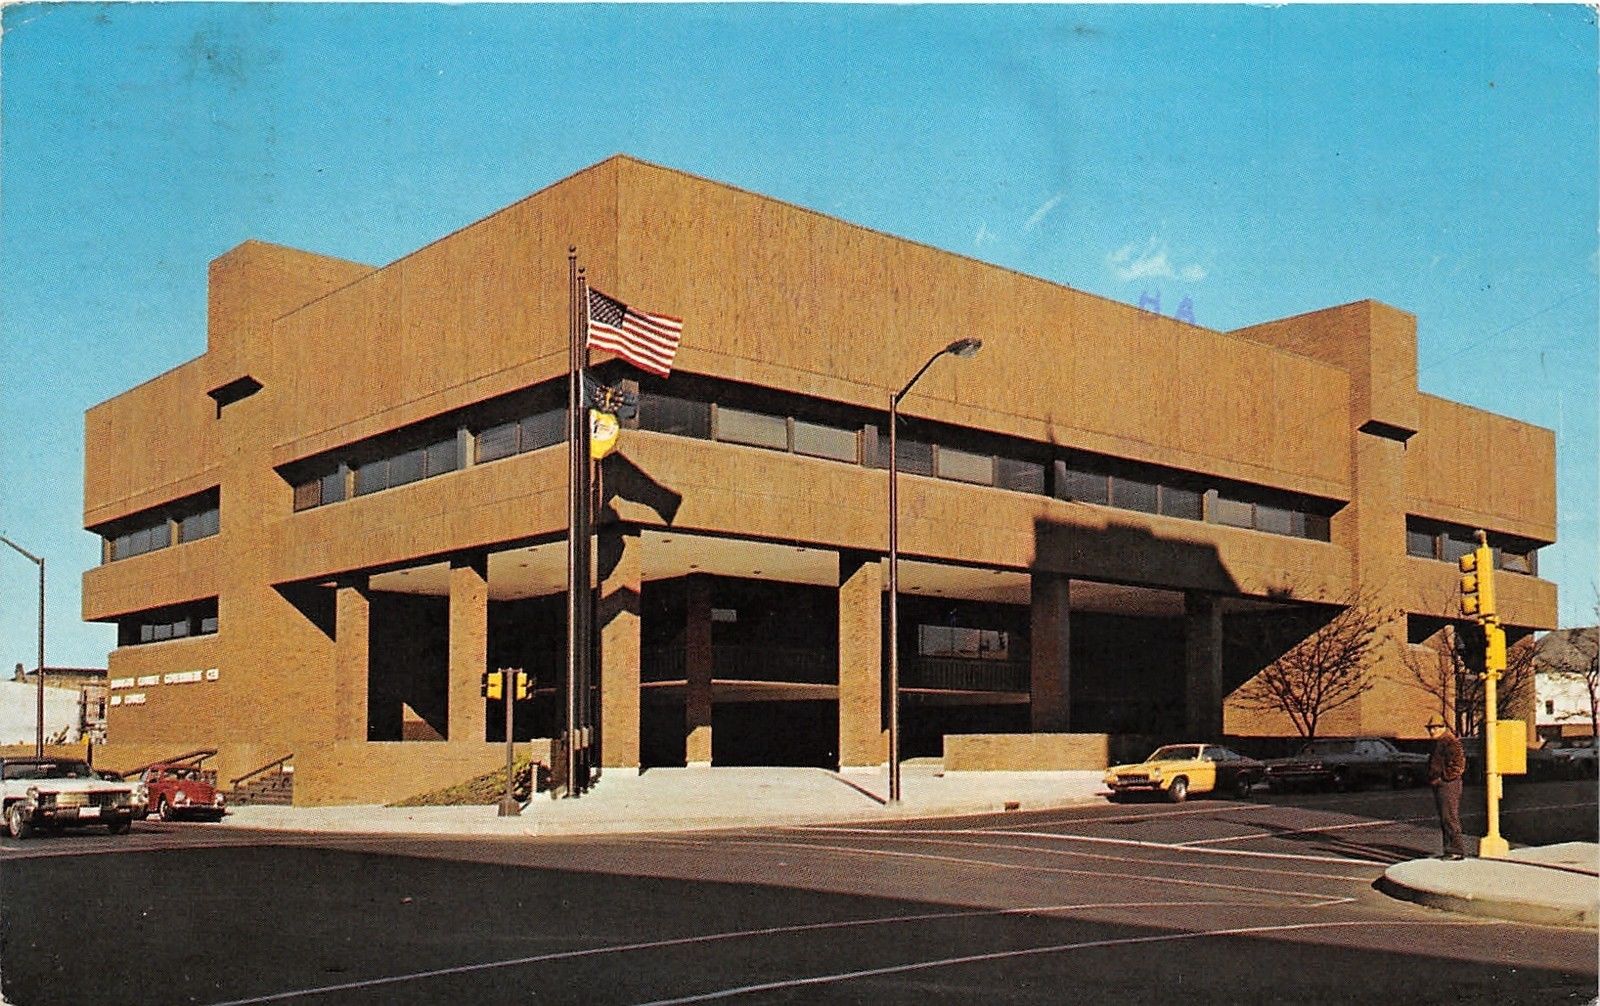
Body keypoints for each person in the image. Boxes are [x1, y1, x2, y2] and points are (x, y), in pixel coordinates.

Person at [1426, 714, 1467, 860]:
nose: (1431, 731)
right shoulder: (1441, 742)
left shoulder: (1449, 742)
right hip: (1443, 783)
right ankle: (1449, 849)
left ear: (1442, 728)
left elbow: (1458, 764)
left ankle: (1456, 850)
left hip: (1448, 785)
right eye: (1430, 729)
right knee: (1445, 817)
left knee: (1449, 817)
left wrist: (1443, 778)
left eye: (1434, 728)